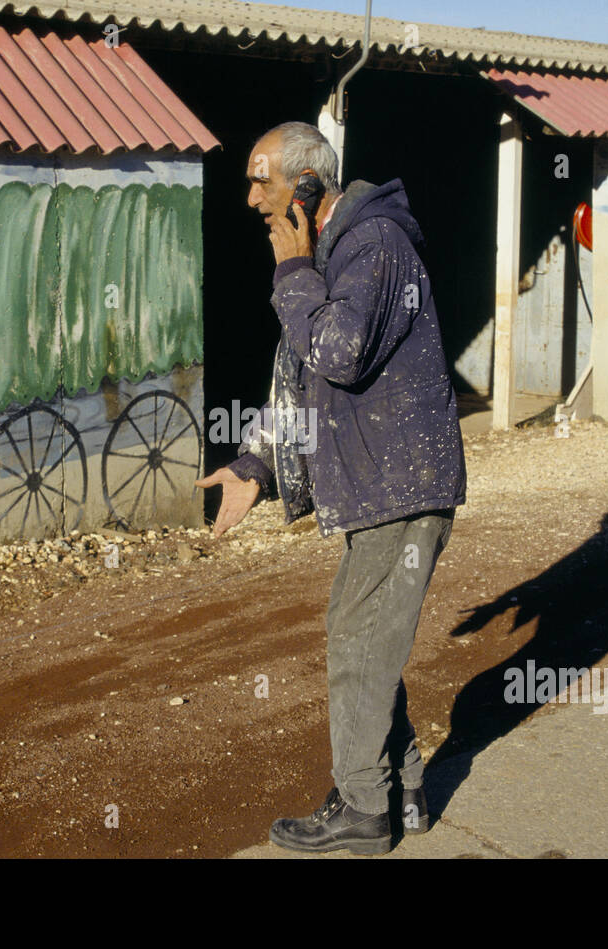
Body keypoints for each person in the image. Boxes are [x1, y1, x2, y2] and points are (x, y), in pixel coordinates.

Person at [195, 121, 466, 855]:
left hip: (402, 482)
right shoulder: (335, 253)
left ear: (308, 185)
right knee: (367, 635)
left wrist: (291, 272)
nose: (252, 199)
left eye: (264, 181)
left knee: (355, 635)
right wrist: (253, 467)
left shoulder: (373, 245)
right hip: (383, 479)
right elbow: (300, 372)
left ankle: (363, 807)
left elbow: (337, 353)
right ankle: (402, 791)